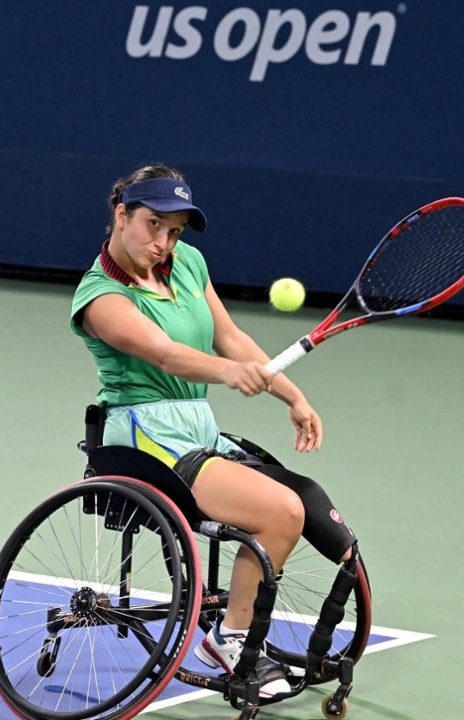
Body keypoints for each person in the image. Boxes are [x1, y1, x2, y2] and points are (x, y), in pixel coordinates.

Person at [69, 163, 357, 697]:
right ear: (121, 214)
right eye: (153, 224)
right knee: (279, 511)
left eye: (174, 231)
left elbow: (229, 337)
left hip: (199, 429)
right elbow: (165, 352)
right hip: (141, 439)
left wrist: (290, 394)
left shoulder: (188, 265)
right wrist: (227, 374)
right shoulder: (99, 298)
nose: (163, 241)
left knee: (304, 498)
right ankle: (231, 636)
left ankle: (242, 626)